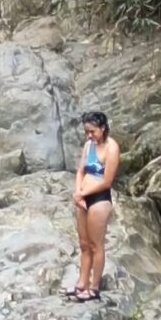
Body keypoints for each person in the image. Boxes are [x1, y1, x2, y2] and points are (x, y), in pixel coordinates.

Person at [70, 109, 119, 303]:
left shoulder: (112, 148)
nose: (89, 135)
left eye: (92, 131)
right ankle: (81, 283)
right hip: (83, 198)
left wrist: (83, 193)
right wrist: (77, 192)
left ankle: (94, 286)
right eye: (87, 132)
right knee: (83, 244)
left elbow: (107, 181)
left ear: (103, 128)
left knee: (96, 245)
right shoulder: (88, 145)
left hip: (99, 199)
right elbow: (81, 171)